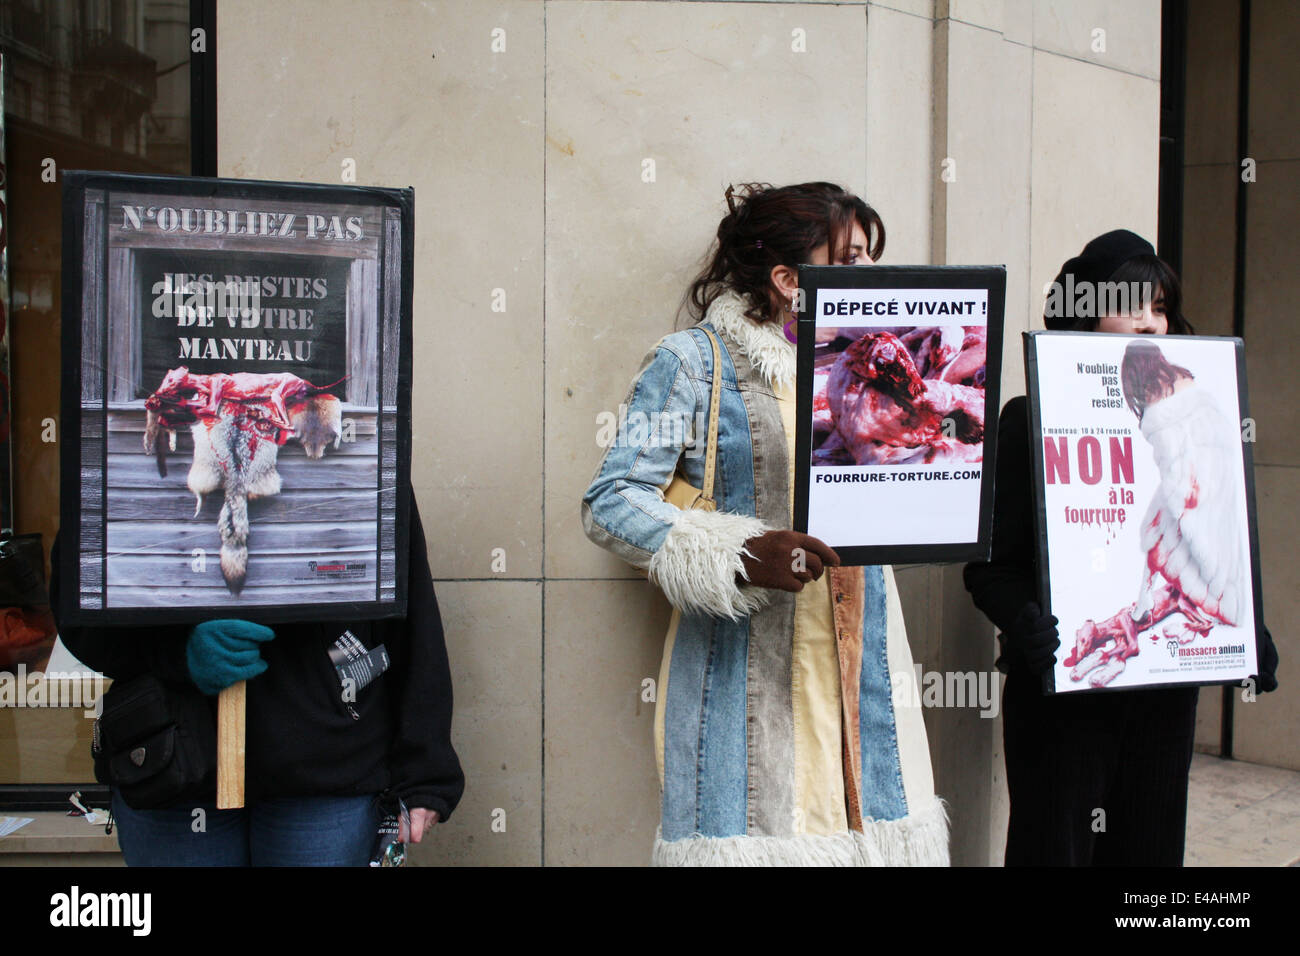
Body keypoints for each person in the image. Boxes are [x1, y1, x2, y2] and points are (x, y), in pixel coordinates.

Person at [582, 182, 948, 866]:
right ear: (786, 279)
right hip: (747, 665)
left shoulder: (885, 357)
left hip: (861, 649)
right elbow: (612, 500)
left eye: (871, 261)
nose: (869, 279)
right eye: (849, 261)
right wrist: (738, 553)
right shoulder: (692, 363)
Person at [963, 229, 1279, 866]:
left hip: (1163, 694)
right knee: (1055, 848)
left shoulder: (1197, 412)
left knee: (1150, 855)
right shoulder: (1030, 417)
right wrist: (1026, 619)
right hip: (1065, 695)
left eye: (1159, 307)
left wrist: (1248, 630)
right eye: (1131, 304)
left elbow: (1216, 536)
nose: (1150, 322)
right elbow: (988, 568)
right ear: (1085, 309)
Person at [50, 494, 463, 866]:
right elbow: (79, 609)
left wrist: (425, 770)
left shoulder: (360, 432)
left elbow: (410, 619)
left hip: (325, 772)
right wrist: (176, 652)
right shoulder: (133, 441)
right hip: (174, 767)